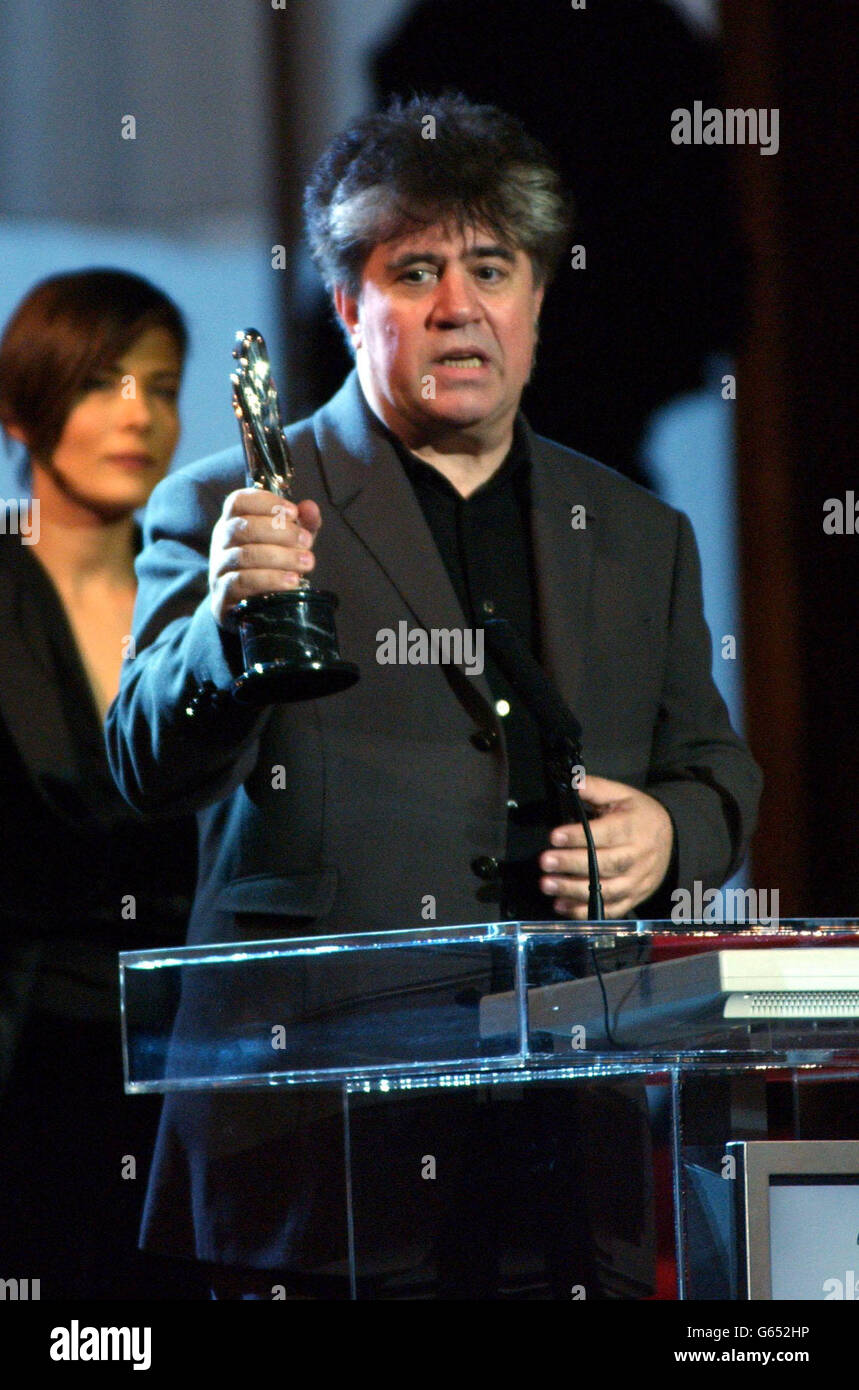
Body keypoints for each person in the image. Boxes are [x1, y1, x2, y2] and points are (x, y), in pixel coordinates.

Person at [106, 96, 762, 1298]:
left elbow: (715, 770)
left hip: (578, 1143)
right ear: (350, 304)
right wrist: (223, 626)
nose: (458, 306)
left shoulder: (635, 531)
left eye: (490, 268)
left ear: (537, 298)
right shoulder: (232, 503)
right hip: (316, 1149)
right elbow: (144, 767)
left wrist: (668, 835)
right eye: (414, 270)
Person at [0, 268, 203, 1299]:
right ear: (22, 407)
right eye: (103, 382)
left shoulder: (206, 598)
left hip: (191, 1064)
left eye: (162, 387)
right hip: (21, 1062)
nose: (140, 416)